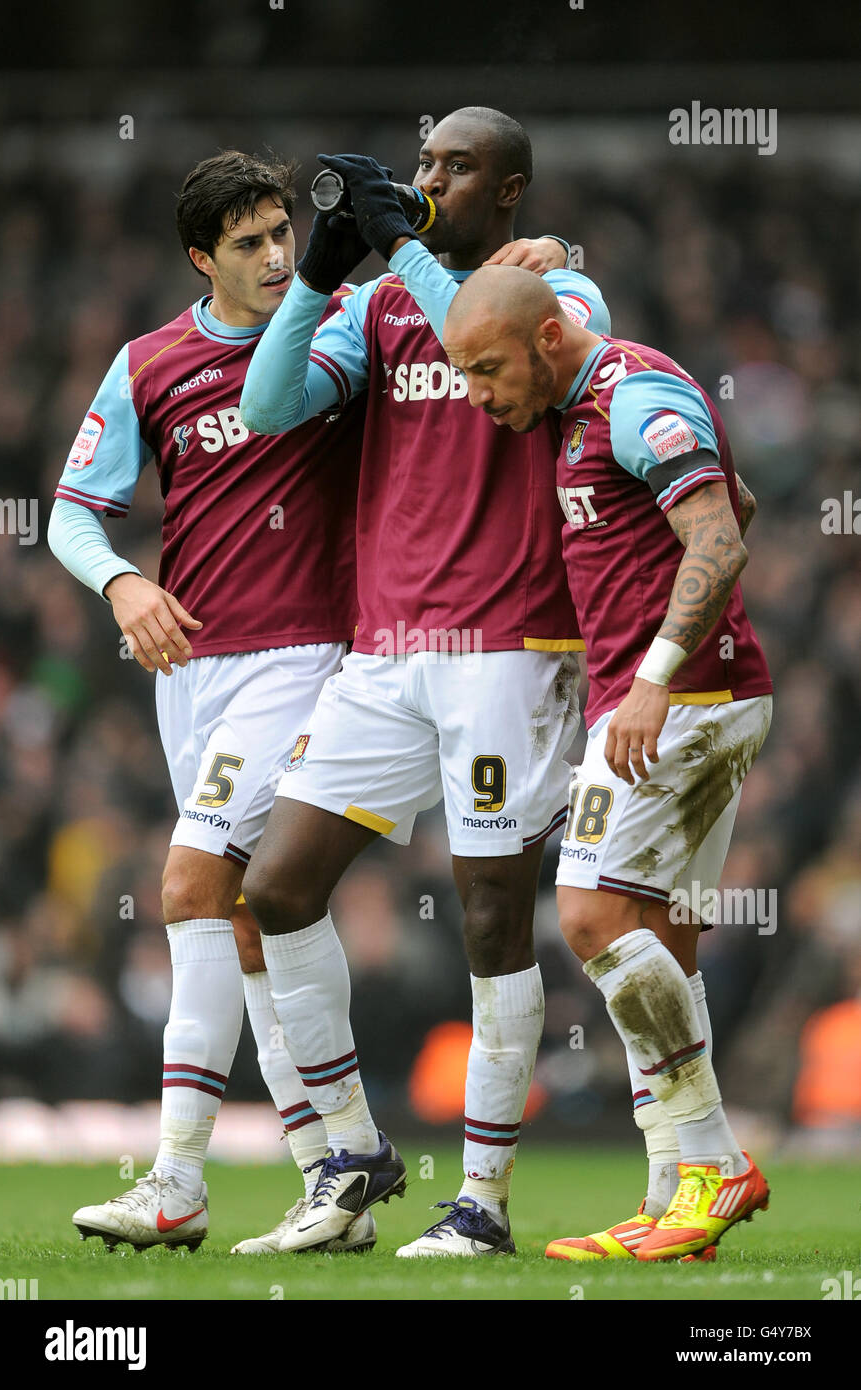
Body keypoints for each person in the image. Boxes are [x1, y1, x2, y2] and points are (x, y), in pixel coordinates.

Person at [238, 107, 610, 1257]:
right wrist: (318, 276)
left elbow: (479, 330)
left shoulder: (564, 297)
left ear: (507, 190)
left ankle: (483, 1204)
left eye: (454, 168)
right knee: (278, 886)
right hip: (386, 651)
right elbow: (263, 409)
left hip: (507, 645)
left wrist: (400, 245)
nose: (428, 179)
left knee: (491, 914)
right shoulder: (378, 303)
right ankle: (350, 1158)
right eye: (421, 165)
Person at [47, 150, 376, 1254]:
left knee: (189, 882)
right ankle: (335, 1174)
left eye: (283, 232)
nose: (278, 255)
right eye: (249, 243)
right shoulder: (148, 363)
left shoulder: (336, 332)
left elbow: (440, 307)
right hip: (191, 670)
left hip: (303, 655)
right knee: (241, 923)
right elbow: (72, 513)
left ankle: (176, 1178)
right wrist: (124, 579)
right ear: (202, 257)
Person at [438, 264, 774, 1262]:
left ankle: (713, 1162)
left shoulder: (636, 395)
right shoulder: (570, 401)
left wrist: (655, 671)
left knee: (584, 912)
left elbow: (719, 536)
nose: (477, 395)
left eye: (487, 369)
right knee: (661, 943)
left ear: (546, 342)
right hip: (675, 698)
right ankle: (675, 1196)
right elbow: (739, 497)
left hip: (685, 704)